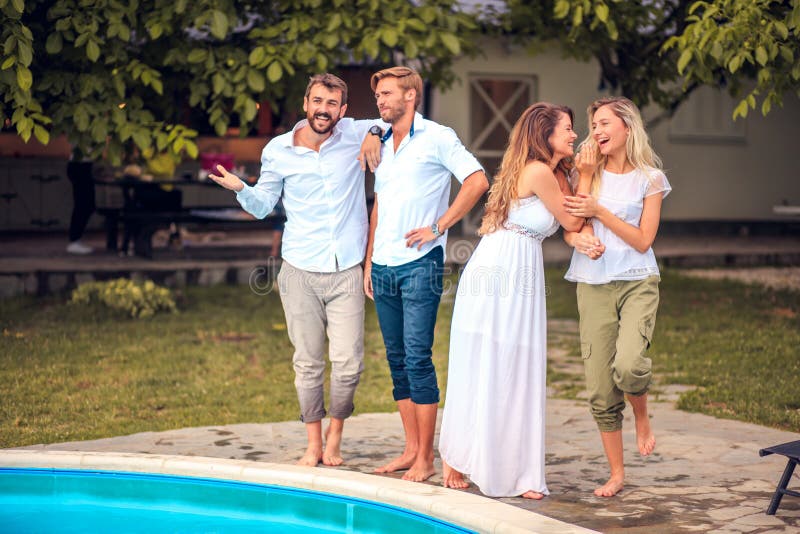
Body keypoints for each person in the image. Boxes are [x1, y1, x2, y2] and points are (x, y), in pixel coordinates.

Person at [209, 73, 384, 467]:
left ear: (343, 109)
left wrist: (374, 129)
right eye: (317, 101)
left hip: (345, 271)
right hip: (299, 270)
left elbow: (393, 121)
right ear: (306, 104)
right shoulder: (278, 150)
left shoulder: (356, 133)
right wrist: (241, 188)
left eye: (332, 104)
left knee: (349, 363)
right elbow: (263, 205)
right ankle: (314, 443)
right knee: (307, 362)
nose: (324, 110)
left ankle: (335, 434)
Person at [437, 103, 592, 499]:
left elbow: (576, 220)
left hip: (519, 269)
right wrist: (588, 174)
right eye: (569, 129)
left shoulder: (555, 172)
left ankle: (515, 469)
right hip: (500, 272)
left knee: (515, 367)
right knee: (492, 362)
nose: (575, 135)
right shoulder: (539, 172)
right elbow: (574, 220)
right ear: (546, 135)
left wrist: (579, 176)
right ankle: (461, 457)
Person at [363, 66, 489, 482]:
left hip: (421, 264)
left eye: (386, 94)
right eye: (378, 95)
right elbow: (378, 205)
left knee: (418, 358)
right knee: (397, 360)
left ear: (411, 96)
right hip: (382, 265)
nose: (380, 102)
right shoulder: (381, 139)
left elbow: (476, 181)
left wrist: (439, 226)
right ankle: (412, 450)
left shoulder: (438, 137)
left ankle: (428, 460)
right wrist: (368, 262)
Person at [562, 96, 671, 498]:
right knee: (600, 386)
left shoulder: (650, 179)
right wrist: (580, 238)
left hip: (637, 280)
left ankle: (641, 416)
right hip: (592, 284)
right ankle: (617, 472)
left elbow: (644, 240)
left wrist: (602, 214)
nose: (597, 131)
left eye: (605, 122)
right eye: (593, 125)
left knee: (628, 366)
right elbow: (570, 226)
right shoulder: (585, 171)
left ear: (627, 126)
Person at [66, 153, 96, 254]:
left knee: (87, 205)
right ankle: (74, 241)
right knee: (83, 205)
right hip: (79, 165)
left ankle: (75, 240)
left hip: (82, 164)